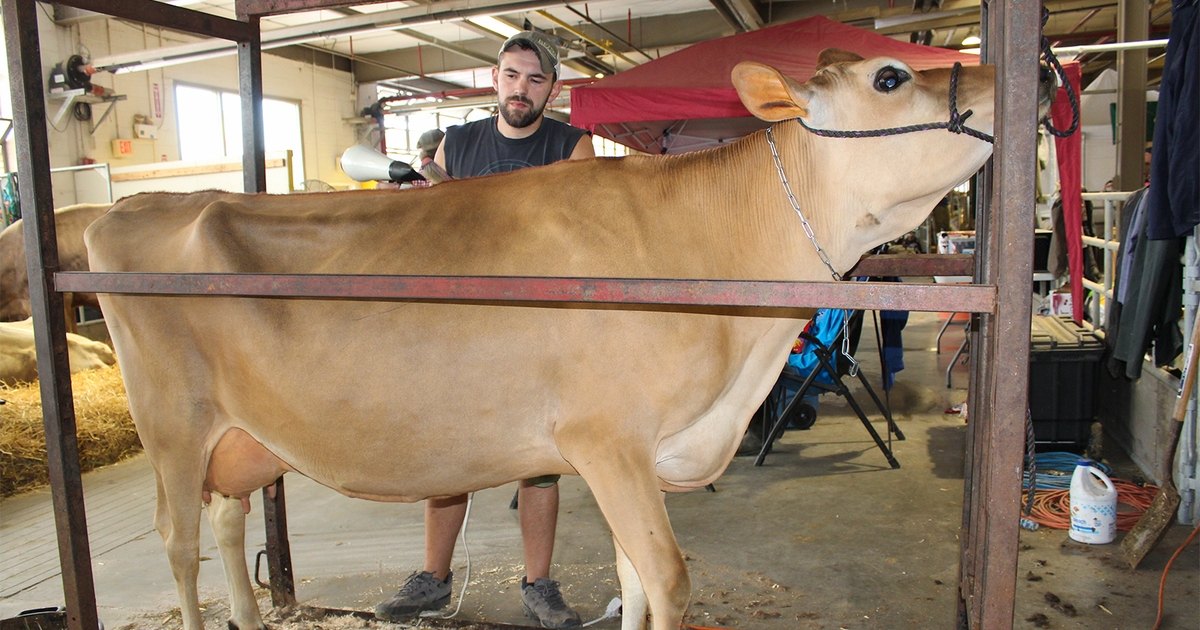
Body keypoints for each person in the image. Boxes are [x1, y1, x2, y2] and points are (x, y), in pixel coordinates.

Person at [375, 30, 594, 630]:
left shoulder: (573, 147)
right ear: (494, 78)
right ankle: (433, 578)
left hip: (538, 329)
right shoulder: (456, 142)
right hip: (463, 327)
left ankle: (539, 584)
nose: (521, 88)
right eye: (512, 74)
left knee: (539, 459)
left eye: (536, 78)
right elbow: (434, 231)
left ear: (552, 88)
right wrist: (417, 200)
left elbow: (577, 238)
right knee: (450, 447)